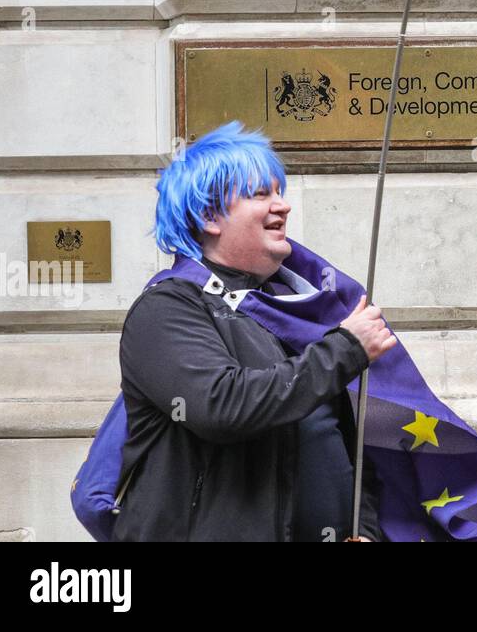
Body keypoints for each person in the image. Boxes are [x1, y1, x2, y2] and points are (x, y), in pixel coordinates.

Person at [112, 122, 397, 541]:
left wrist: (364, 530)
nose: (282, 207)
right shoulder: (167, 308)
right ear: (209, 216)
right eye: (260, 194)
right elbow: (224, 407)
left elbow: (346, 444)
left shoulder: (294, 310)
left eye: (279, 193)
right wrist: (346, 348)